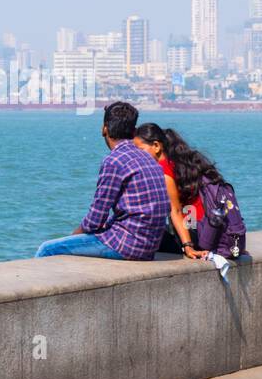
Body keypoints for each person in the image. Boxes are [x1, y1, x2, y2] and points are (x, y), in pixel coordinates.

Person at [35, 101, 170, 260]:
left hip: (127, 246)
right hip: (150, 246)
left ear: (104, 129)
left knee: (47, 249)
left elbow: (95, 220)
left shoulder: (114, 161)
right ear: (134, 131)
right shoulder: (149, 159)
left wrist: (72, 237)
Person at [134, 123, 211, 259]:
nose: (137, 156)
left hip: (193, 236)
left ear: (157, 146)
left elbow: (175, 210)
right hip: (206, 231)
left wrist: (188, 246)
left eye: (140, 150)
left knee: (138, 236)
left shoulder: (163, 171)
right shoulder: (181, 163)